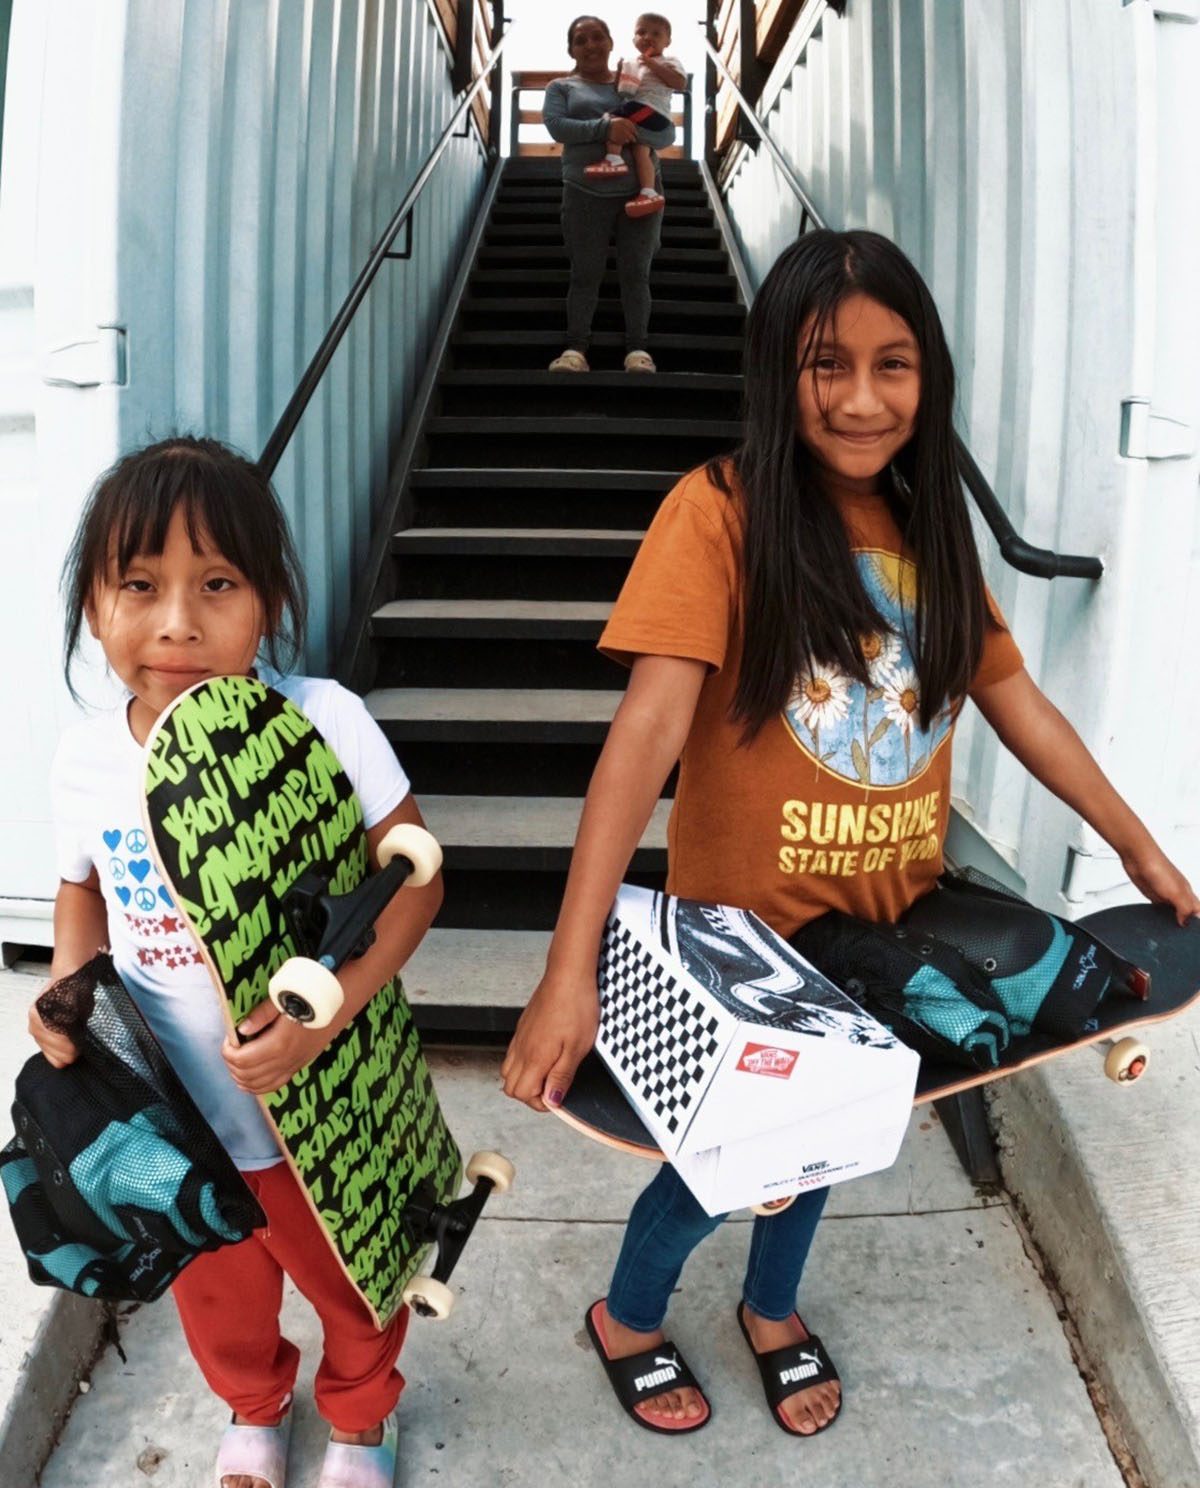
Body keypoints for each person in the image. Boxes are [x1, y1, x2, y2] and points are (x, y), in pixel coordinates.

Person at [500, 230, 1199, 1439]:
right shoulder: (718, 514)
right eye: (829, 364)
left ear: (929, 379)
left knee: (830, 1141)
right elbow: (643, 739)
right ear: (777, 368)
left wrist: (1135, 846)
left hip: (888, 931)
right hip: (748, 943)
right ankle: (628, 1316)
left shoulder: (929, 530)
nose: (864, 399)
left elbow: (1015, 703)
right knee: (722, 1165)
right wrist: (570, 971)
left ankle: (773, 1312)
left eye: (896, 364)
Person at [29, 436, 443, 1488]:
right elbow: (83, 888)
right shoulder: (85, 759)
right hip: (181, 1112)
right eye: (139, 584)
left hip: (318, 1115)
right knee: (219, 1293)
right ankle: (253, 1405)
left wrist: (334, 1010)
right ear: (92, 605)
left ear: (267, 604)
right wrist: (68, 992)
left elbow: (416, 877)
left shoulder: (321, 723)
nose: (177, 621)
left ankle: (359, 1418)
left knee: (354, 1279)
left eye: (217, 584)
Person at [543, 15, 676, 375]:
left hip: (639, 194)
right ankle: (575, 350)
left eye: (597, 37)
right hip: (584, 193)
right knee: (585, 273)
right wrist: (607, 126)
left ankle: (638, 351)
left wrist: (634, 128)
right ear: (571, 48)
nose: (590, 46)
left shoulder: (630, 85)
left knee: (636, 272)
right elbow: (557, 126)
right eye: (581, 40)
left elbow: (665, 137)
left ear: (611, 42)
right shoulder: (561, 87)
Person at [584, 12, 686, 220]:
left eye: (656, 34)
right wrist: (620, 75)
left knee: (611, 118)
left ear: (667, 41)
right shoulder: (633, 64)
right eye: (641, 32)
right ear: (633, 39)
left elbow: (679, 83)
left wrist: (653, 64)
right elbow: (624, 93)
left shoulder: (669, 61)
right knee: (641, 151)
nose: (647, 37)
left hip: (654, 113)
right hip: (640, 115)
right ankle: (648, 193)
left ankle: (613, 159)